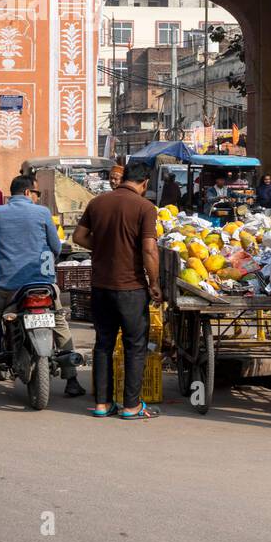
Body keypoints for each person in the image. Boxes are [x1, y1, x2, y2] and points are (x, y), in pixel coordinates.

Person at [0, 175, 83, 401]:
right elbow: (56, 247)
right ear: (28, 193)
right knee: (59, 323)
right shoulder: (43, 213)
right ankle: (72, 379)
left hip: (8, 286)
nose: (37, 198)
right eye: (36, 194)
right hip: (43, 284)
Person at [72, 159, 160, 420]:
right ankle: (131, 406)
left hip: (100, 286)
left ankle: (102, 403)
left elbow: (78, 236)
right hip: (130, 288)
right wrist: (154, 283)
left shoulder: (97, 202)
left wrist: (102, 248)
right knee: (135, 346)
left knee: (103, 344)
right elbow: (148, 249)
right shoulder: (145, 207)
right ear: (144, 183)